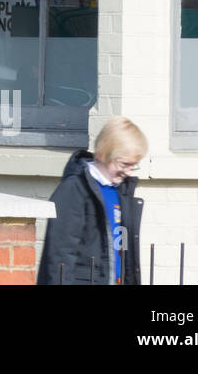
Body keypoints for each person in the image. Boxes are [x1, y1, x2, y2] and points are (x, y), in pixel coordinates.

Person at [37, 117, 147, 285]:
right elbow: (61, 254)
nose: (129, 172)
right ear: (102, 155)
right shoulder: (74, 189)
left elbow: (124, 248)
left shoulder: (121, 191)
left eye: (133, 165)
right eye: (124, 164)